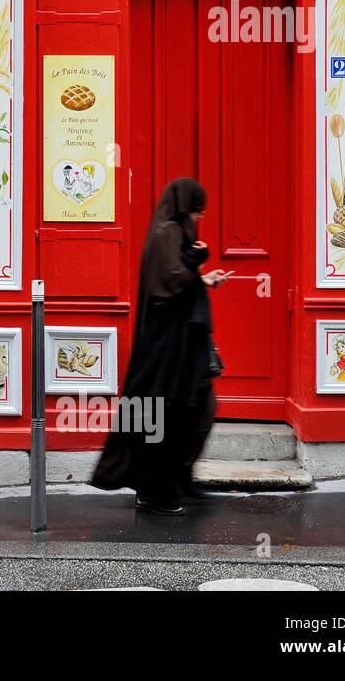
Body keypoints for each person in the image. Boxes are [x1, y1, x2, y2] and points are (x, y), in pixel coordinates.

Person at [91, 177, 231, 515]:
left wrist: (202, 277)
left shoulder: (173, 230)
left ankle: (179, 482)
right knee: (164, 416)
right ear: (186, 208)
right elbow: (169, 280)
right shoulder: (168, 230)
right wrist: (197, 260)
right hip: (169, 350)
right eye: (197, 213)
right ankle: (155, 491)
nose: (199, 219)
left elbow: (175, 278)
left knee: (198, 408)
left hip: (182, 346)